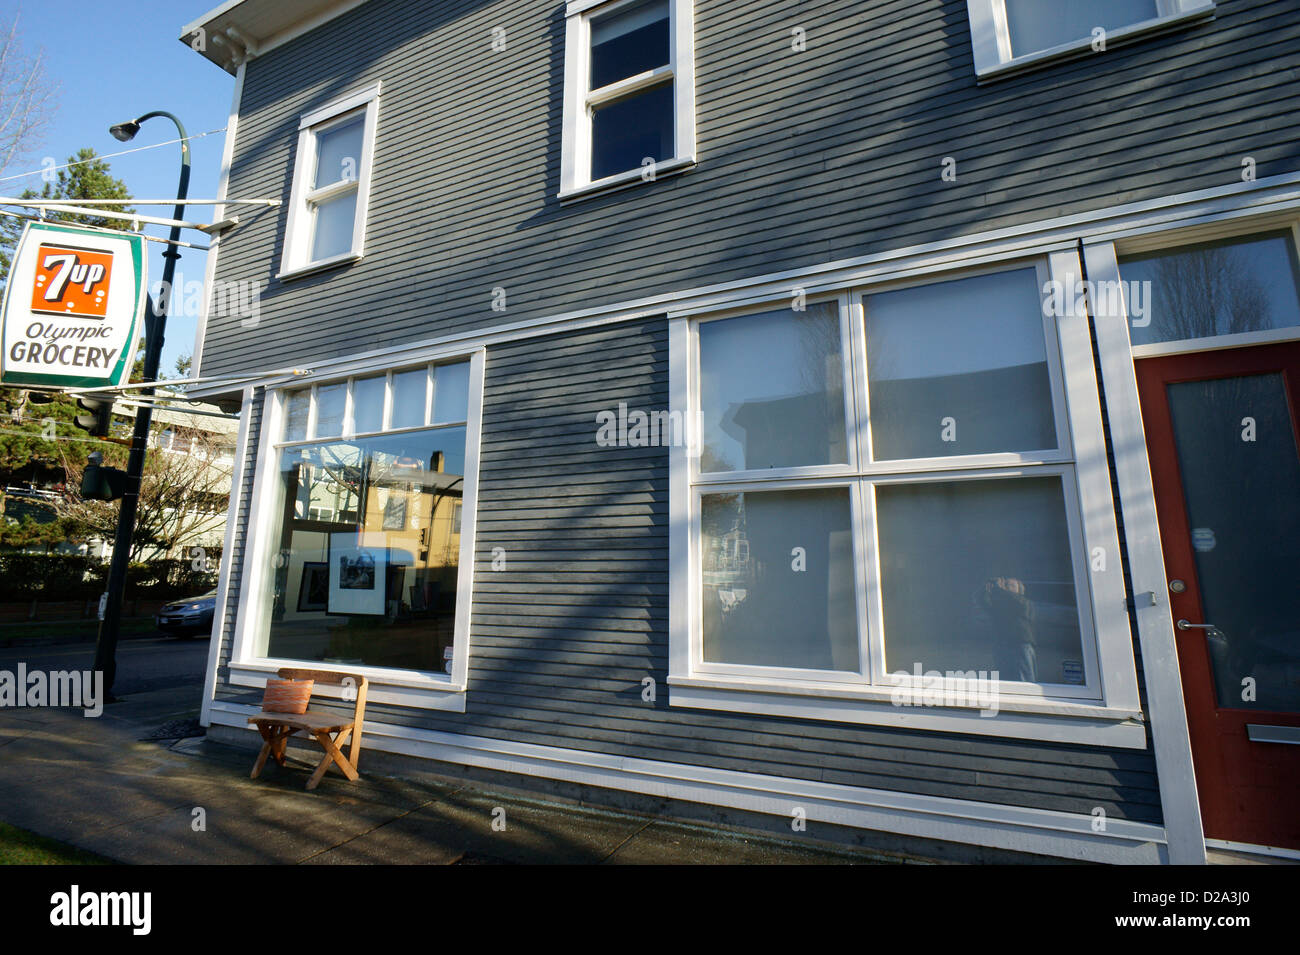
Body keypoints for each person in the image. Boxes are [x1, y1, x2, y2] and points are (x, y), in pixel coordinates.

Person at [973, 576, 1037, 683]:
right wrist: (985, 588)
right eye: (1006, 585)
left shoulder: (1025, 603)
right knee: (1005, 680)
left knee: (1024, 681)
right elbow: (981, 600)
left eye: (1011, 585)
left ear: (1020, 590)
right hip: (1002, 646)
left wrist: (999, 589)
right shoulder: (999, 607)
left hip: (1020, 646)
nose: (1007, 587)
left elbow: (1014, 600)